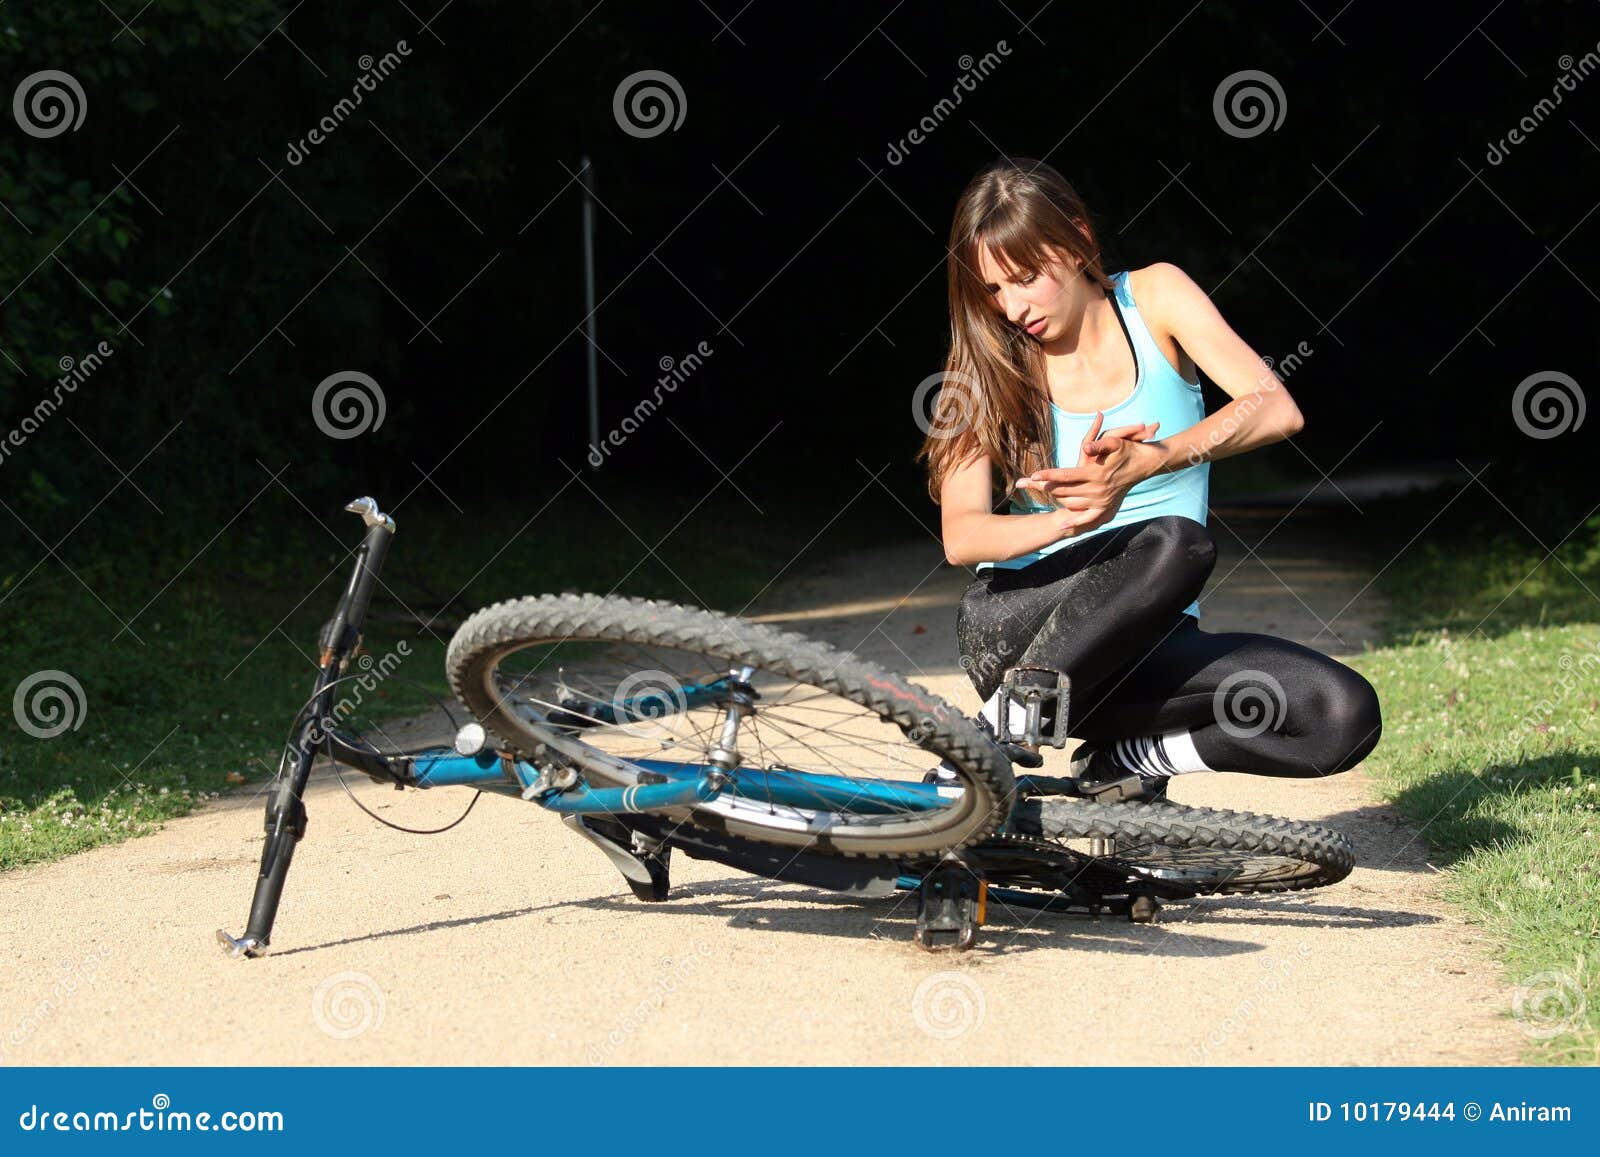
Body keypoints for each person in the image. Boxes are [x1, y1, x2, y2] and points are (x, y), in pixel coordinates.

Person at [917, 157, 1381, 801]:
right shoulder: (983, 363)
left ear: (1078, 239)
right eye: (995, 290)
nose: (1013, 307)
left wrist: (1153, 459)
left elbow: (1273, 406)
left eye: (1025, 279)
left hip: (1144, 657)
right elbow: (961, 537)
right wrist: (1070, 520)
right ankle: (986, 738)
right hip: (1020, 633)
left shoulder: (1156, 297)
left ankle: (1133, 761)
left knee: (1341, 712)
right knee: (1174, 543)